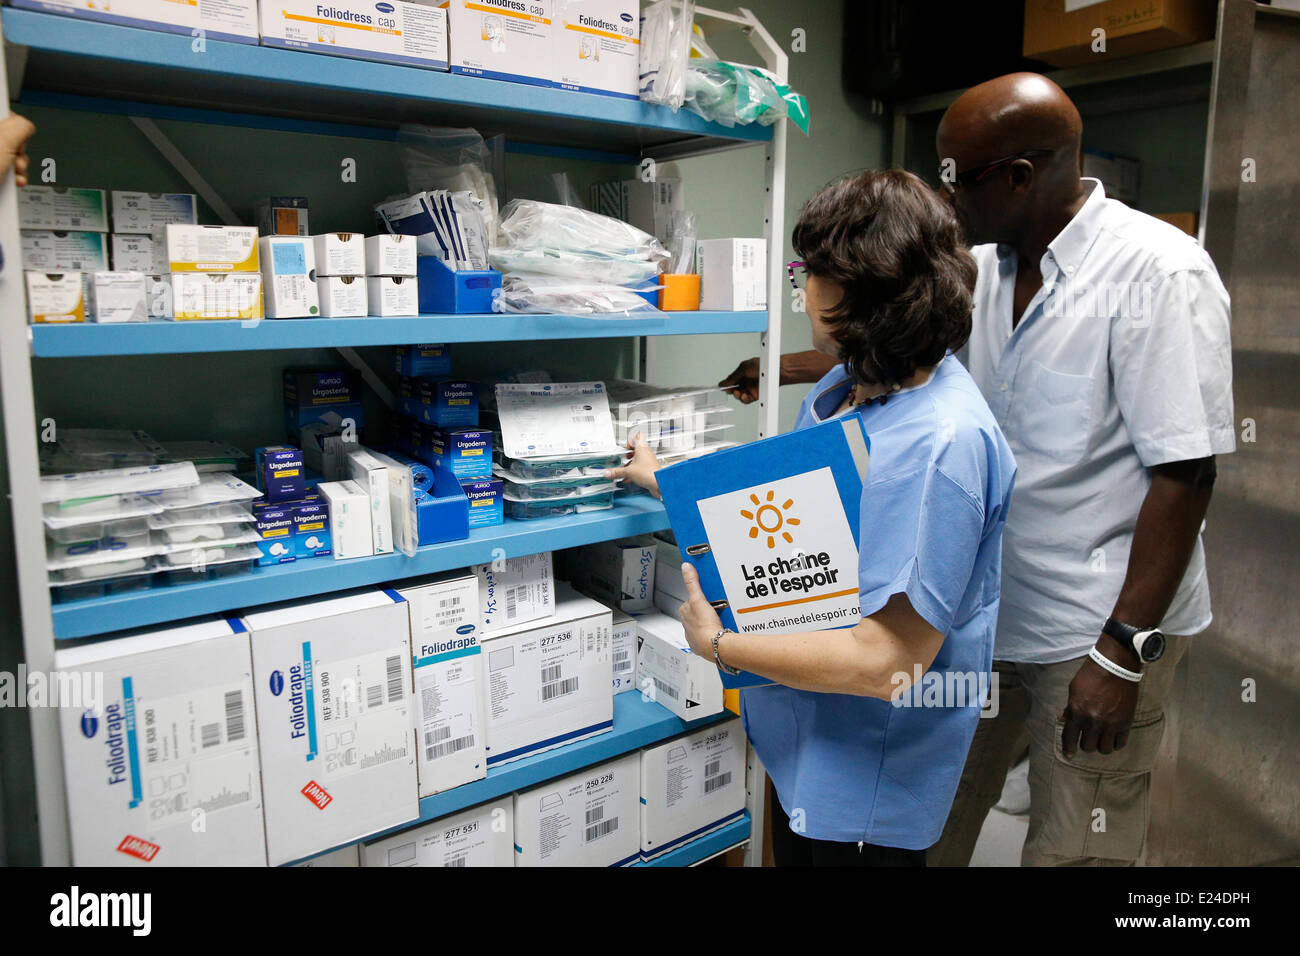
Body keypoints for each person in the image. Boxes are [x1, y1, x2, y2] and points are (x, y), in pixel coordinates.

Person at [725, 73, 1235, 867]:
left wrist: (1121, 650)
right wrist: (782, 366)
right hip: (976, 610)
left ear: (1020, 177)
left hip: (1090, 623)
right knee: (938, 819)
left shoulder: (1158, 273)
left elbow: (1186, 472)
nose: (944, 191)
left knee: (1076, 840)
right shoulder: (984, 267)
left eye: (956, 173)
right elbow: (907, 345)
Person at [611, 169, 1017, 867]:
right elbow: (788, 519)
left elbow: (885, 663)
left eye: (811, 271)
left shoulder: (941, 445)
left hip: (867, 776)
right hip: (808, 730)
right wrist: (669, 484)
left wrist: (717, 646)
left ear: (866, 289)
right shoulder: (850, 383)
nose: (800, 288)